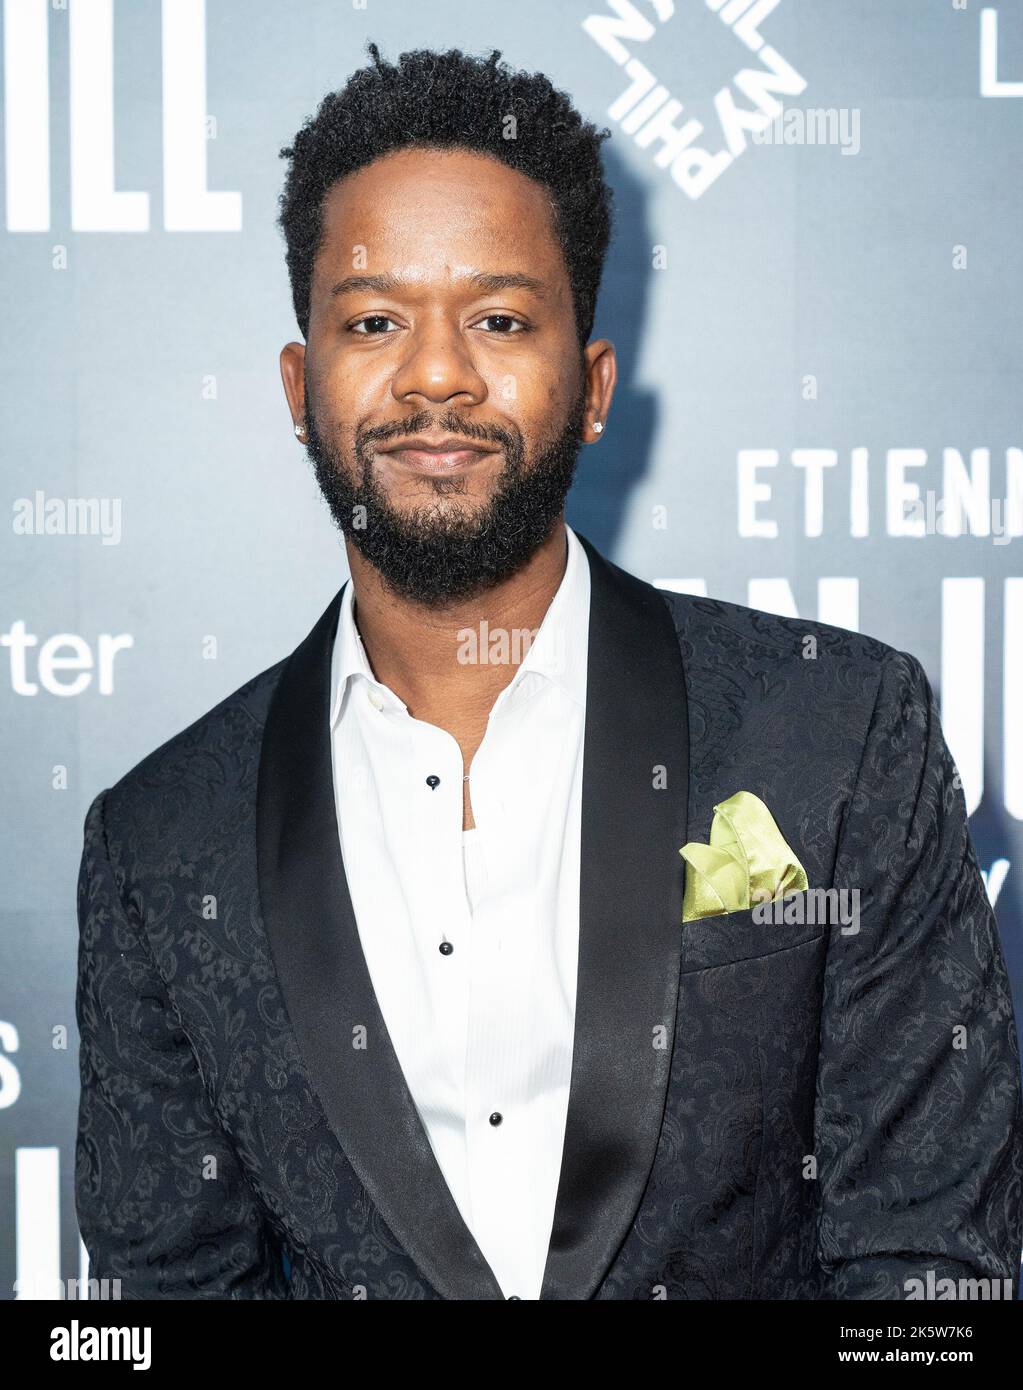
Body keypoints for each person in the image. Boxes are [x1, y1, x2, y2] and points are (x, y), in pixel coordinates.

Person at [74, 43, 1022, 1301]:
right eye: (373, 321)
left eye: (502, 319)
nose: (436, 376)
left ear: (590, 388)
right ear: (301, 390)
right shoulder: (161, 843)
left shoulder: (837, 730)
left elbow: (931, 1272)